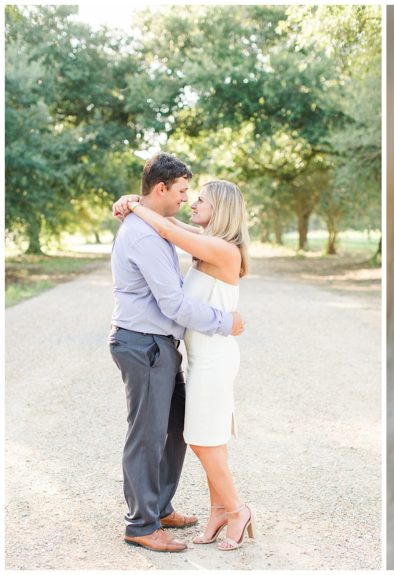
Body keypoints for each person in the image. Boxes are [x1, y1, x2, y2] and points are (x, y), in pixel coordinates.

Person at [109, 153, 245, 553]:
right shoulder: (147, 234)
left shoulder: (179, 234)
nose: (189, 199)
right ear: (162, 189)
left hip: (170, 348)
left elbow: (171, 226)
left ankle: (160, 505)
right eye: (185, 191)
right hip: (146, 343)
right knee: (148, 435)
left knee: (177, 429)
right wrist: (226, 320)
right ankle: (141, 524)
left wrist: (134, 203)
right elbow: (175, 305)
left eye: (197, 195)